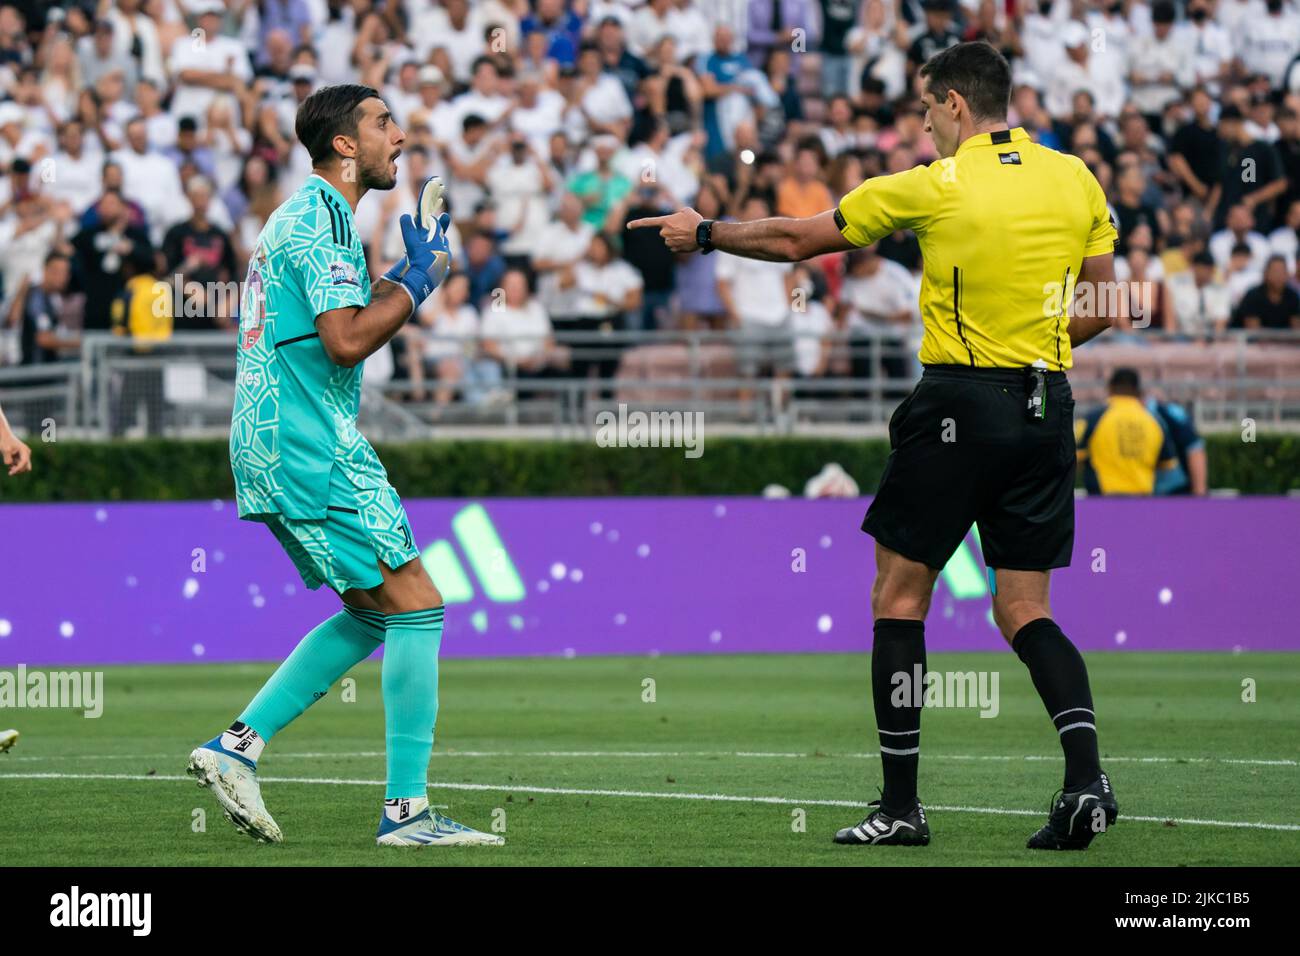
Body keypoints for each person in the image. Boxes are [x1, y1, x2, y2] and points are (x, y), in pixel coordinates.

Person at [631, 41, 1120, 851]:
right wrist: (1030, 344)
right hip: (1045, 404)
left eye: (929, 110)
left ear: (957, 104)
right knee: (1025, 607)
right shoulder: (1076, 176)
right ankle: (1086, 780)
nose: (925, 125)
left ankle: (900, 806)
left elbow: (797, 241)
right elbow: (1106, 303)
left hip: (960, 402)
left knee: (898, 599)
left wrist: (707, 231)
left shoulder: (936, 184)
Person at [188, 84, 501, 849]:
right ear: (346, 145)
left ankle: (236, 748)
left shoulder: (300, 217)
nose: (400, 134)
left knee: (373, 611)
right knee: (419, 603)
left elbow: (326, 328)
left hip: (275, 437)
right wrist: (419, 278)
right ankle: (409, 815)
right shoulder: (324, 217)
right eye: (384, 122)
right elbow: (347, 340)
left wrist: (400, 272)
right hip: (309, 441)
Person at [1076, 369, 1178, 496]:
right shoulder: (1154, 422)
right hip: (1142, 501)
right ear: (1138, 391)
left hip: (1102, 502)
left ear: (1110, 387)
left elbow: (1076, 457)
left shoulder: (1093, 418)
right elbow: (1167, 464)